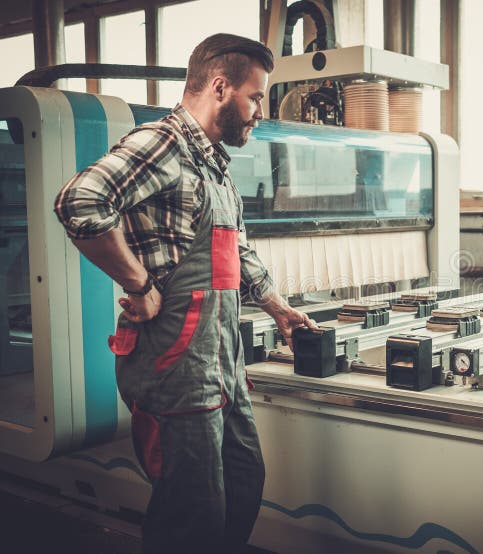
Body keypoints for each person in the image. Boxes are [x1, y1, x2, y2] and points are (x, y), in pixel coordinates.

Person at [54, 33, 316, 554]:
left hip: (220, 361)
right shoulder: (164, 143)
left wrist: (278, 307)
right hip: (174, 365)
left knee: (244, 484)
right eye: (256, 96)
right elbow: (79, 201)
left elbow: (234, 250)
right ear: (220, 86)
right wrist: (138, 283)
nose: (259, 110)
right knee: (190, 514)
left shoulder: (214, 162)